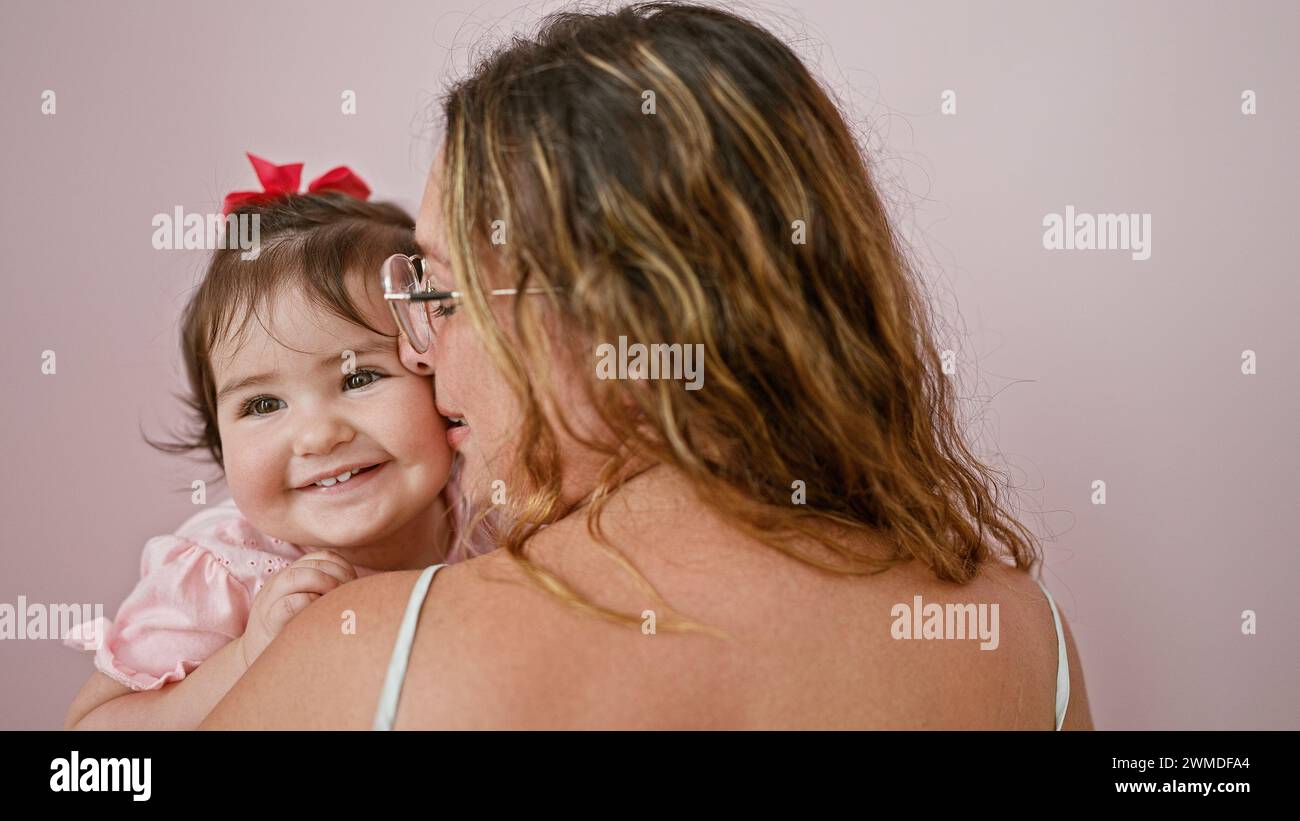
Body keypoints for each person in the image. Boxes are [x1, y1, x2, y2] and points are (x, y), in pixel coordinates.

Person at [201, 2, 1092, 730]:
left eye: (442, 290)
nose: (418, 350)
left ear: (598, 313)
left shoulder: (366, 655)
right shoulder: (1020, 641)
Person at [64, 156, 479, 729]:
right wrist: (248, 655)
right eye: (262, 405)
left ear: (432, 366)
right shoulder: (228, 572)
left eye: (358, 379)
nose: (317, 435)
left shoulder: (488, 507)